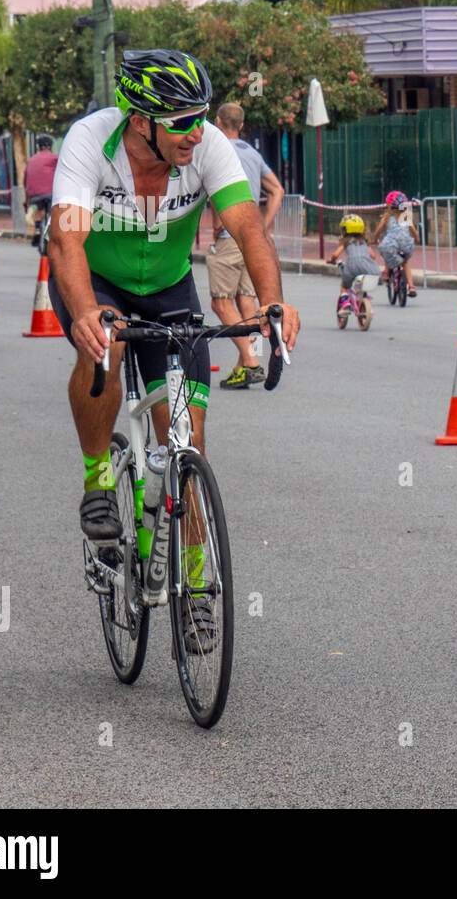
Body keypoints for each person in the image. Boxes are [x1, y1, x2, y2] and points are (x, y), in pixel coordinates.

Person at [46, 49, 300, 584]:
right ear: (140, 121)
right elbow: (66, 237)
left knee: (187, 441)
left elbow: (248, 229)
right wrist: (86, 313)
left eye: (202, 117)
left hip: (167, 286)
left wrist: (273, 304)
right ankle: (97, 481)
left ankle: (197, 580)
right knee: (107, 342)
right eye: (182, 121)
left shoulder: (207, 147)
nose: (196, 131)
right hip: (97, 279)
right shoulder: (90, 141)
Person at [205, 102, 286, 389]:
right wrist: (262, 226)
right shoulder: (253, 153)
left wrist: (217, 222)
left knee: (221, 303)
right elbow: (277, 189)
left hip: (229, 236)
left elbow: (216, 192)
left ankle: (250, 362)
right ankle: (242, 368)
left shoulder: (215, 149)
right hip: (250, 240)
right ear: (241, 125)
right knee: (247, 302)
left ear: (217, 121)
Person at [373, 189, 418, 296]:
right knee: (405, 263)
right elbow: (414, 231)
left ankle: (386, 273)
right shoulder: (406, 216)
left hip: (391, 244)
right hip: (406, 245)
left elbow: (378, 230)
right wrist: (416, 239)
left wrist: (376, 239)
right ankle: (411, 286)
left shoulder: (387, 217)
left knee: (387, 252)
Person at [327, 214, 383, 291]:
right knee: (363, 284)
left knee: (344, 286)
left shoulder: (346, 241)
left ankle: (344, 299)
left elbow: (335, 255)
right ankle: (363, 298)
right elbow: (373, 256)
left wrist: (332, 260)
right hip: (367, 267)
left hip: (351, 267)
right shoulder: (364, 242)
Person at [23, 134, 59, 247]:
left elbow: (26, 181)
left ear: (38, 147)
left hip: (35, 194)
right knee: (55, 211)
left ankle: (38, 229)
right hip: (51, 193)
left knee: (40, 210)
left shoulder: (31, 160)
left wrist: (26, 200)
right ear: (51, 146)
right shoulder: (55, 158)